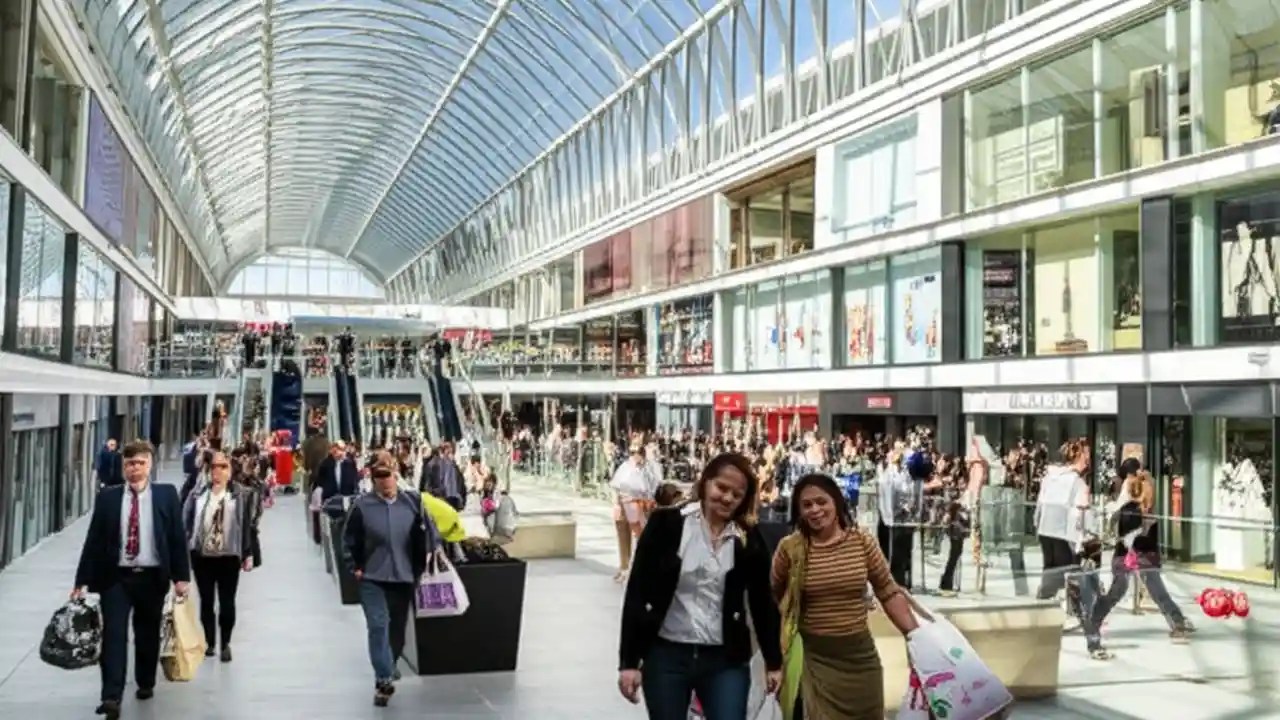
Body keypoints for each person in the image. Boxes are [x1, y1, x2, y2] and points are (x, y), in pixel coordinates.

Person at [617, 452, 782, 720]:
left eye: (737, 494)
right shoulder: (666, 524)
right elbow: (638, 592)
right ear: (705, 483)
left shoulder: (747, 539)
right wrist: (629, 662)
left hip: (725, 659)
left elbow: (763, 602)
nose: (727, 498)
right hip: (667, 654)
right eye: (721, 487)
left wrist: (773, 662)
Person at [772, 473, 919, 719]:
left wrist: (915, 636)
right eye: (806, 505)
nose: (815, 510)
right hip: (814, 659)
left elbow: (887, 590)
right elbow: (778, 597)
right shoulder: (790, 549)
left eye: (822, 502)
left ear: (837, 503)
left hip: (860, 658)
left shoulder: (862, 541)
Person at [71, 440, 191, 720]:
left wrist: (181, 577)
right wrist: (81, 580)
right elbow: (94, 541)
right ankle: (111, 696)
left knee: (147, 634)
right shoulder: (108, 498)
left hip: (152, 577)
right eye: (129, 464)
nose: (134, 469)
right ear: (122, 466)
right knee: (113, 636)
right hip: (116, 578)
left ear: (150, 465)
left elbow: (176, 539)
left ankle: (145, 681)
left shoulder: (166, 495)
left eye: (139, 463)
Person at [343, 465, 440, 706]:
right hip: (372, 577)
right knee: (378, 625)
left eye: (389, 477)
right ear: (373, 481)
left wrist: (427, 554)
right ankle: (383, 677)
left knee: (397, 630)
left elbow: (431, 532)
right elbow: (348, 538)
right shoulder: (363, 506)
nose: (386, 482)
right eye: (380, 478)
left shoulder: (412, 504)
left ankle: (390, 664)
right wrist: (353, 565)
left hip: (404, 575)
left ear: (396, 478)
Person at [182, 449, 262, 662]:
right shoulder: (197, 494)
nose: (218, 471)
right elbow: (186, 523)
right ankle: (210, 642)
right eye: (214, 467)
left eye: (223, 467)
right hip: (203, 557)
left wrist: (248, 553)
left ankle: (225, 642)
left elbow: (248, 525)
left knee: (227, 602)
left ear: (230, 470)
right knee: (206, 601)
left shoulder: (240, 495)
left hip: (229, 556)